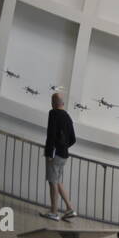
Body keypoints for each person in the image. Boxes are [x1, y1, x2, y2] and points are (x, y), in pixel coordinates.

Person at [41, 92, 77, 222]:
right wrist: (63, 147)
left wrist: (50, 152)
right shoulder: (68, 116)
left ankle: (54, 212)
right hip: (64, 155)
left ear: (55, 103)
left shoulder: (53, 113)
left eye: (52, 101)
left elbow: (50, 134)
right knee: (59, 181)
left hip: (54, 154)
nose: (51, 104)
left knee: (53, 182)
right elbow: (73, 139)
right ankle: (70, 209)